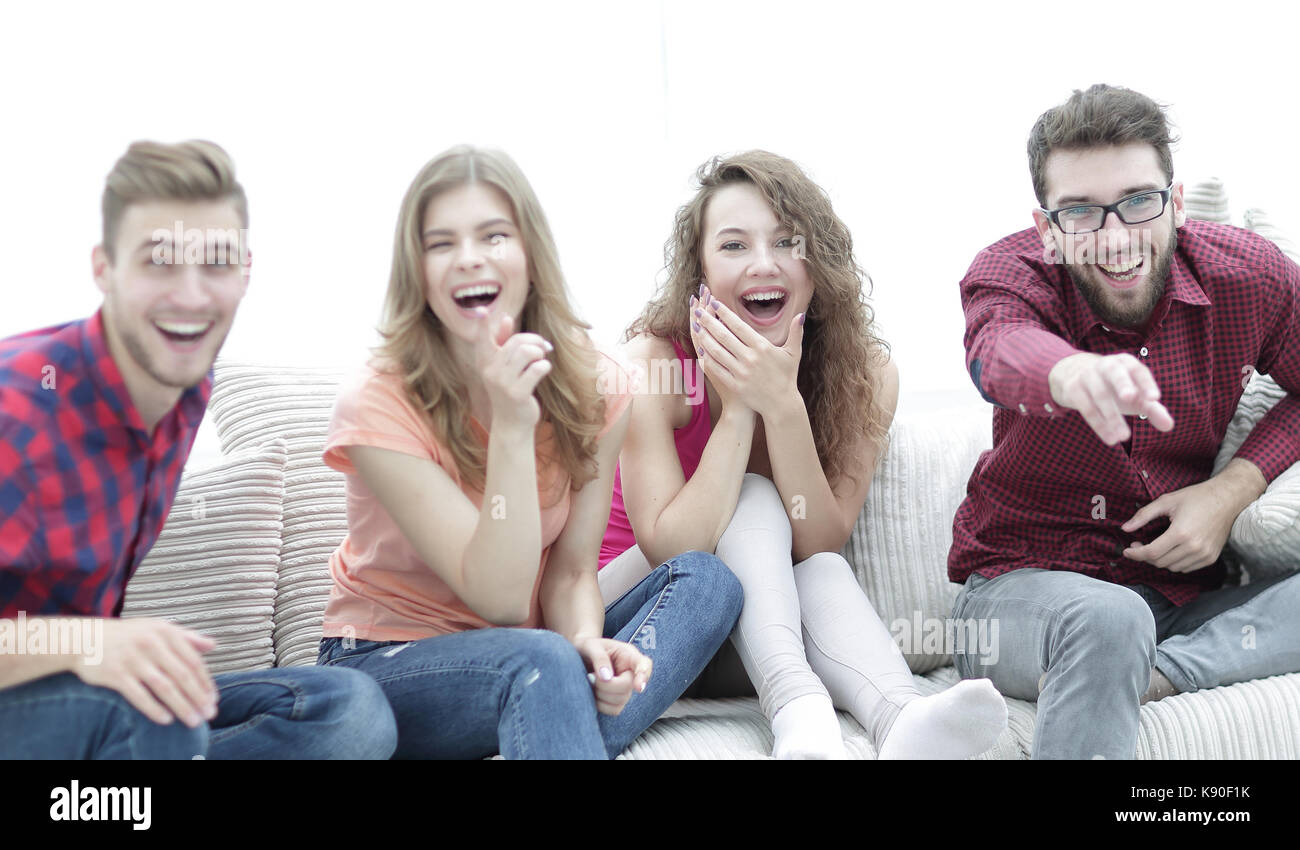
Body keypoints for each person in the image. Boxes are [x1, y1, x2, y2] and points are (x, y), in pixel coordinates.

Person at [314, 145, 742, 760]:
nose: (468, 258)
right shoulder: (379, 402)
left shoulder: (597, 385)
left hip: (532, 653)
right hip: (387, 664)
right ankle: (553, 708)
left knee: (708, 582)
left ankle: (555, 711)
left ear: (531, 257)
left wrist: (586, 643)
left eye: (493, 236)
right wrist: (514, 428)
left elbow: (570, 573)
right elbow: (501, 597)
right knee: (540, 662)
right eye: (440, 244)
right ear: (418, 272)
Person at [601, 150, 1008, 759]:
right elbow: (674, 551)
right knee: (755, 492)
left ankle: (901, 719)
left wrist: (784, 407)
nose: (763, 264)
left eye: (788, 242)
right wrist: (740, 407)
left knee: (817, 571)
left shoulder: (865, 374)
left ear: (818, 268)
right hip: (642, 621)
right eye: (734, 246)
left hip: (749, 636)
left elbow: (820, 542)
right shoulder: (654, 365)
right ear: (701, 276)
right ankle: (797, 708)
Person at [0, 140, 397, 759]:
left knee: (347, 712)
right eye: (159, 262)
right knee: (155, 723)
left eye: (215, 262)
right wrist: (89, 645)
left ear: (245, 273)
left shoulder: (182, 389)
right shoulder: (23, 405)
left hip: (81, 712)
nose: (190, 295)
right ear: (104, 268)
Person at [951, 83, 1300, 759]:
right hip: (1013, 600)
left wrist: (1230, 493)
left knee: (1125, 622)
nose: (1115, 238)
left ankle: (1156, 674)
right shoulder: (1010, 271)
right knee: (1110, 618)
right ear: (1046, 227)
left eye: (1139, 202)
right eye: (1080, 212)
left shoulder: (1249, 278)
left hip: (1180, 601)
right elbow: (996, 351)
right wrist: (1072, 374)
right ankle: (1120, 654)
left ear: (1175, 201)